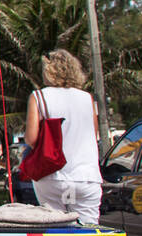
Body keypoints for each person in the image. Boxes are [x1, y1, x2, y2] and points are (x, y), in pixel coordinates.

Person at [24, 49, 101, 223]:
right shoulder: (87, 98)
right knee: (89, 229)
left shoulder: (39, 96)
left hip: (52, 176)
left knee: (56, 228)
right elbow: (94, 135)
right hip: (86, 176)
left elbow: (31, 139)